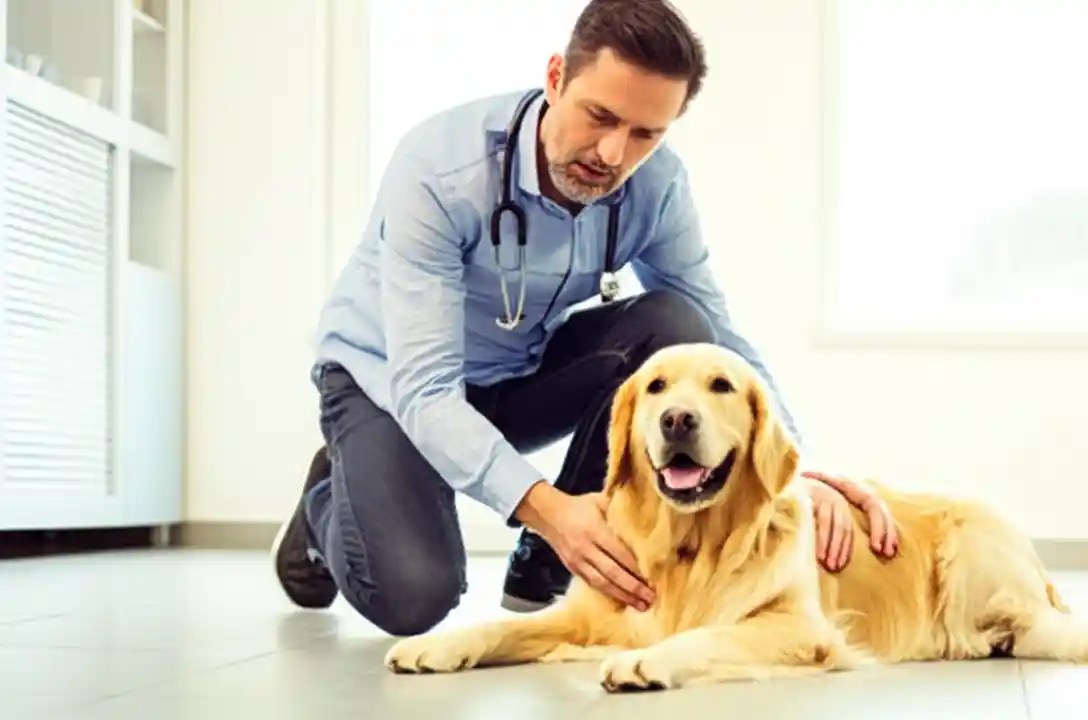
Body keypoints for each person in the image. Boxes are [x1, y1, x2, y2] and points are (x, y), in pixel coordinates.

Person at [271, 0, 899, 637]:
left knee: (678, 324)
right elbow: (425, 390)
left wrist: (796, 469)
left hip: (516, 375)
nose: (611, 152)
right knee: (413, 598)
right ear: (554, 79)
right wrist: (546, 507)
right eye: (600, 115)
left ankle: (546, 560)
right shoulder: (439, 170)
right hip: (389, 386)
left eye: (645, 134)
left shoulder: (657, 186)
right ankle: (329, 500)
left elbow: (718, 332)